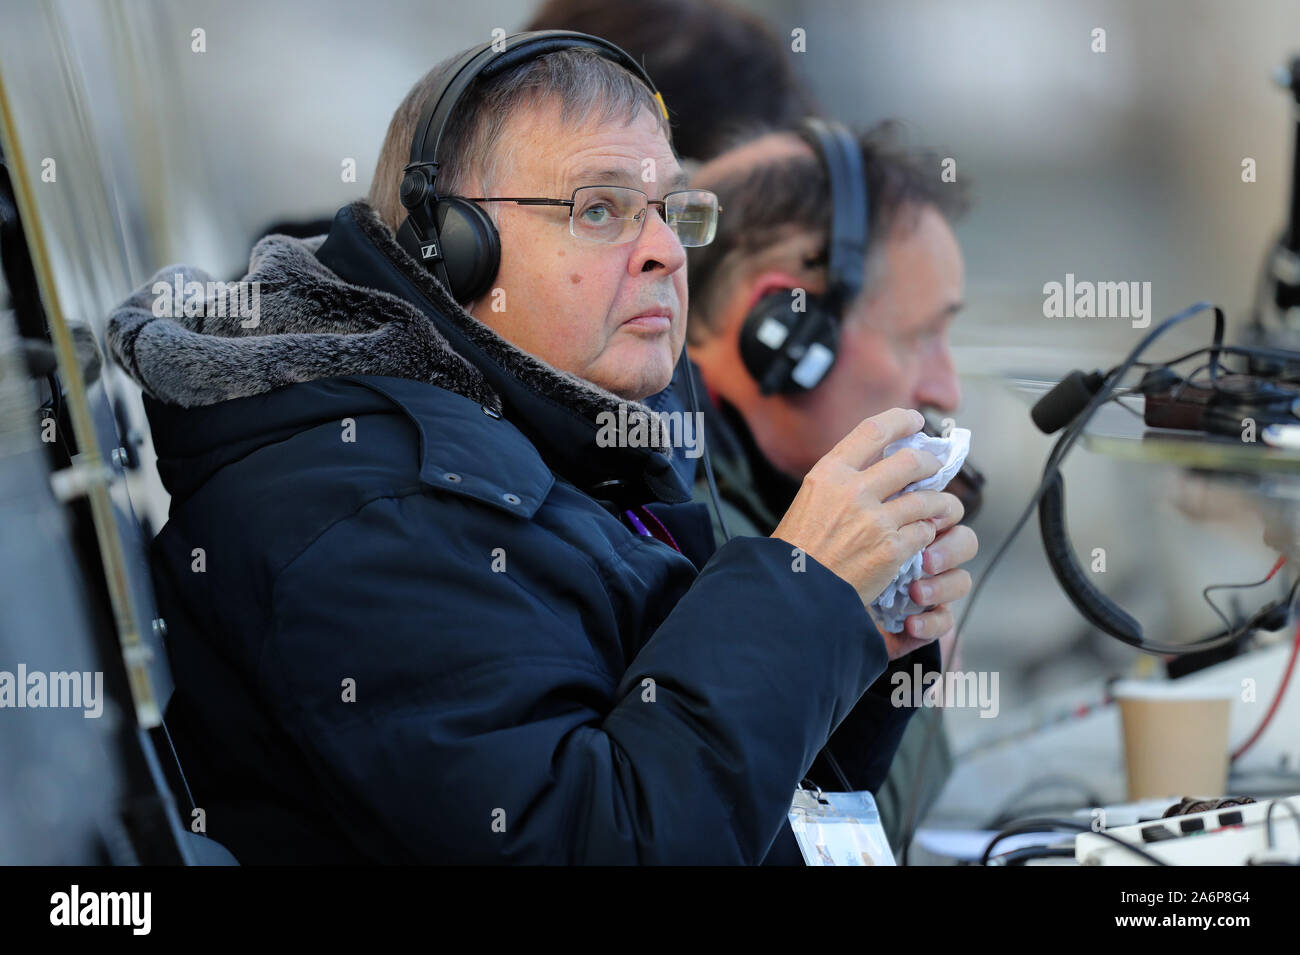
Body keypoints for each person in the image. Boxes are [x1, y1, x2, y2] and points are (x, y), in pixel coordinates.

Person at [106, 31, 975, 864]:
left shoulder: (563, 449)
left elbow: (718, 811)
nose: (668, 252)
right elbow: (598, 842)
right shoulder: (371, 513)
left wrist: (850, 652)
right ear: (454, 248)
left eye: (674, 211)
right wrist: (801, 595)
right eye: (601, 208)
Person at [684, 121, 974, 849]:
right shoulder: (694, 536)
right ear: (787, 330)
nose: (948, 385)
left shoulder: (744, 491)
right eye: (920, 338)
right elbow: (846, 828)